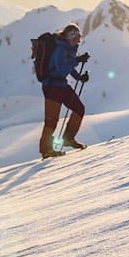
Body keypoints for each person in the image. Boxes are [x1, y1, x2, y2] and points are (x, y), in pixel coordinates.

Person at [39, 23, 90, 158]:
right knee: (51, 120)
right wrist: (77, 60)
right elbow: (62, 70)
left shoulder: (68, 48)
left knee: (79, 108)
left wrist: (79, 77)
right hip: (52, 87)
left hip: (60, 85)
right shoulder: (60, 49)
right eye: (77, 37)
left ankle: (68, 138)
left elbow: (68, 67)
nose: (79, 41)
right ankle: (46, 150)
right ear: (70, 37)